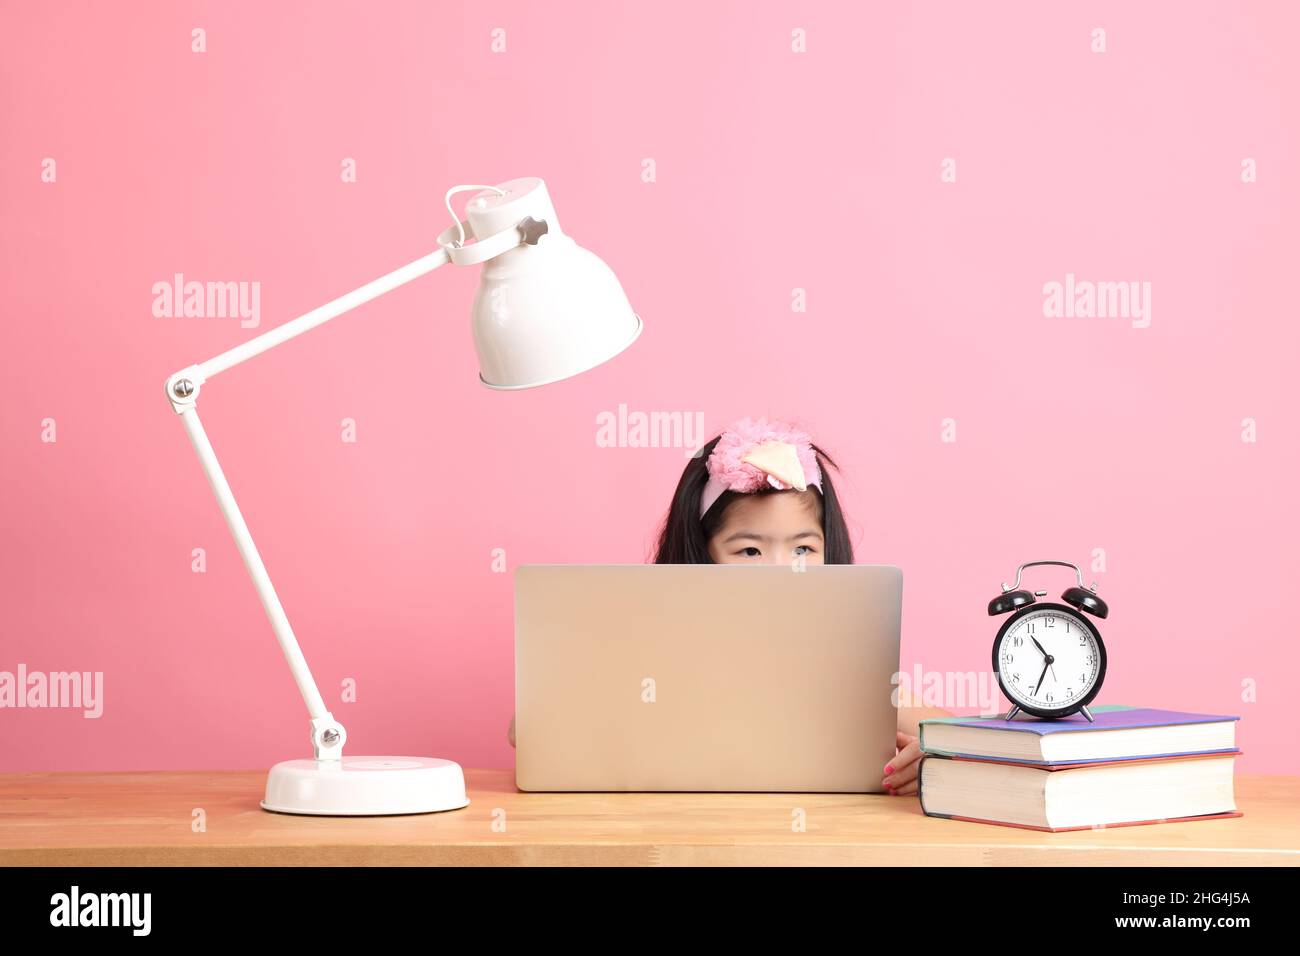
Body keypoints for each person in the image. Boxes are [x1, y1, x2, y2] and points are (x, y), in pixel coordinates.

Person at [508, 417, 948, 796]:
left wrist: (931, 751)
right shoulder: (656, 653)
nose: (781, 572)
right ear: (704, 552)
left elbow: (967, 738)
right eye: (750, 551)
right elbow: (522, 732)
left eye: (802, 549)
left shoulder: (845, 671)